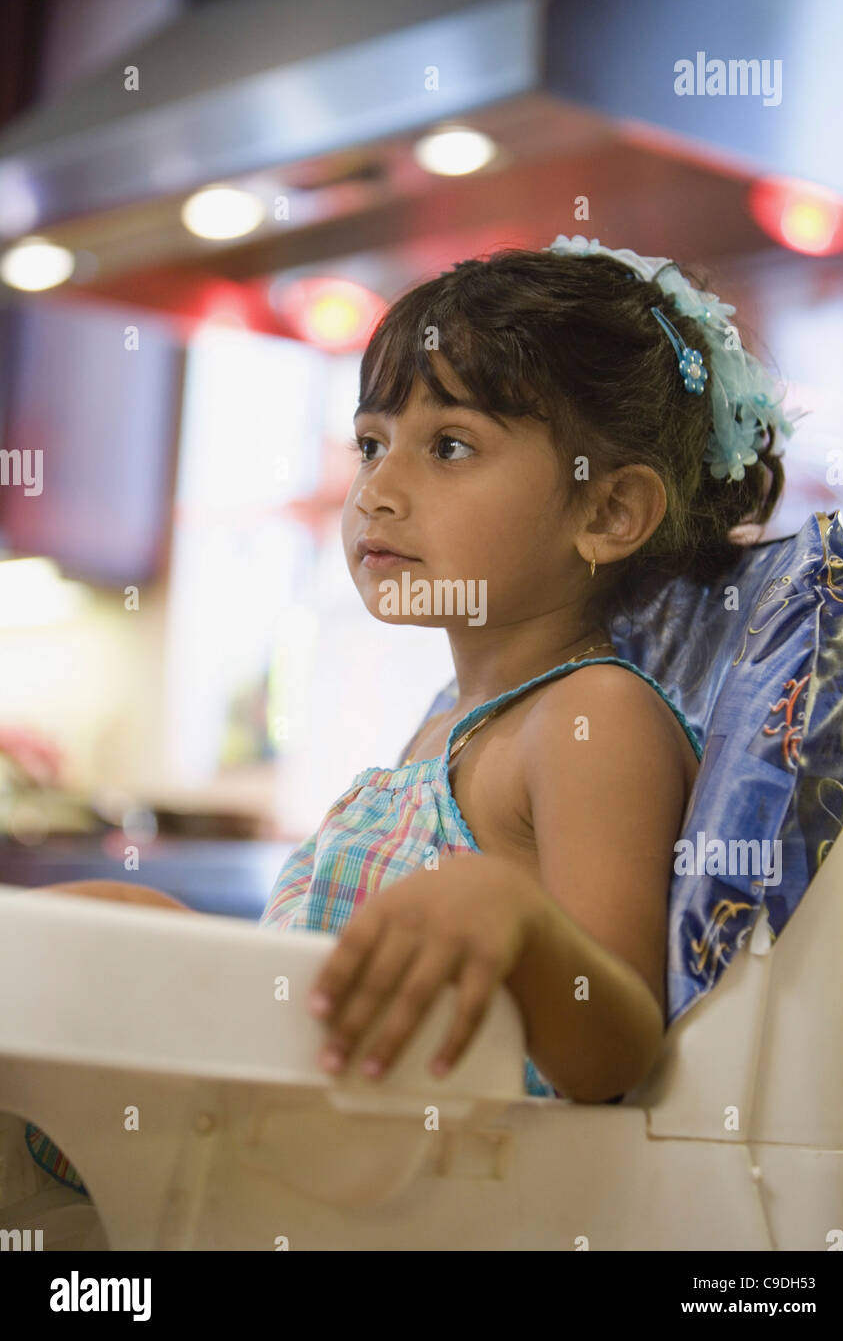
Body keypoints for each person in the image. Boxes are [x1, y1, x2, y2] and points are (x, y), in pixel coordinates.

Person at [25, 234, 796, 1197]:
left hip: (424, 1202)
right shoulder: (447, 727)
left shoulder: (592, 719)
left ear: (607, 514)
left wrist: (517, 919)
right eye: (372, 444)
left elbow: (620, 1049)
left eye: (451, 446)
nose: (377, 492)